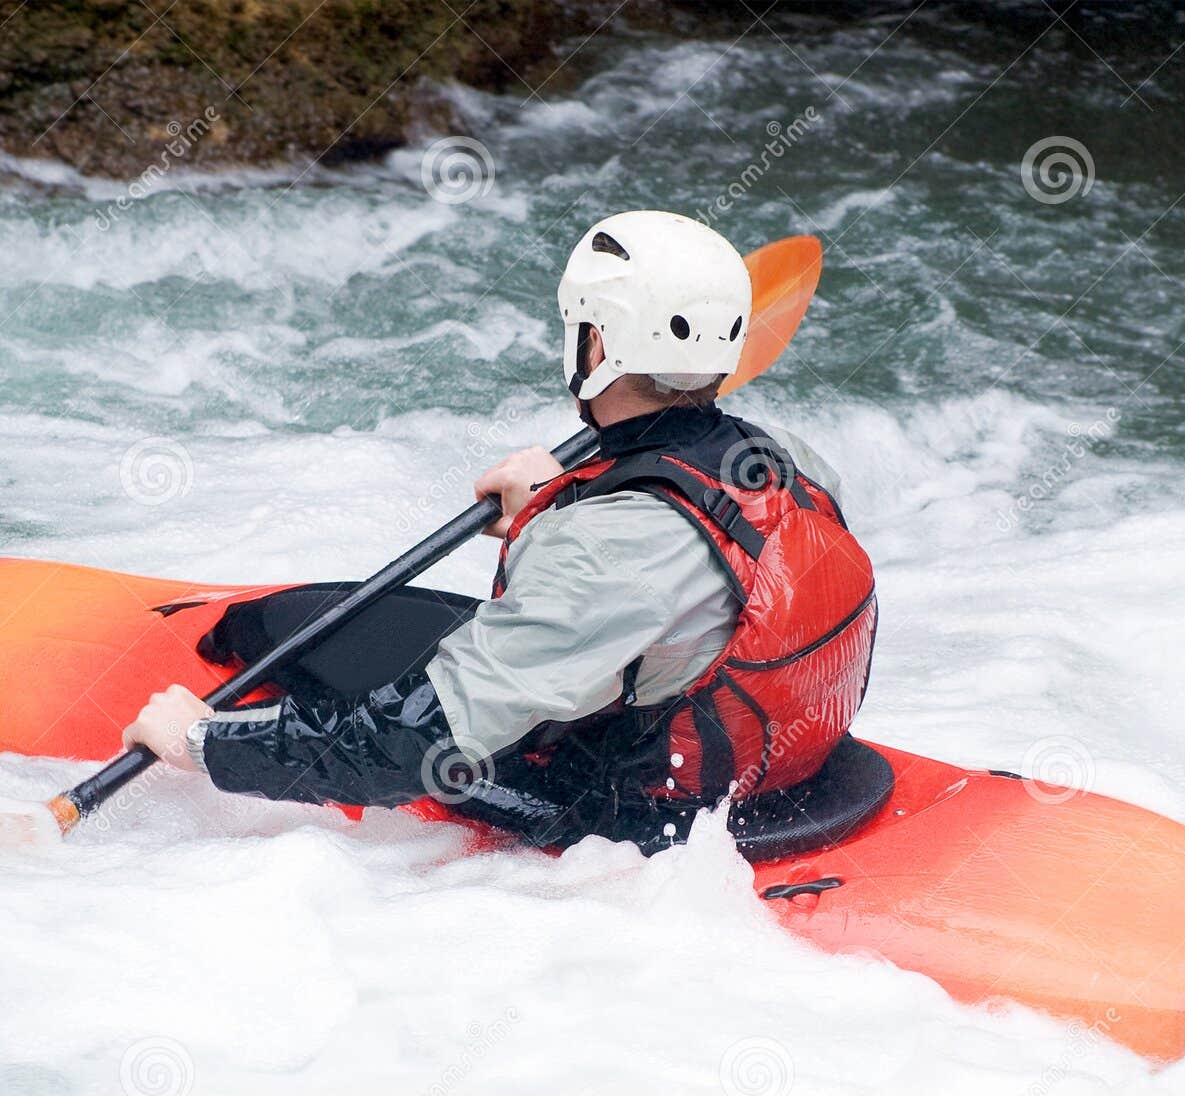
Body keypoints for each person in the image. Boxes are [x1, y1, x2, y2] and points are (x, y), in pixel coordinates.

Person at [123, 211, 877, 850]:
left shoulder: (603, 551)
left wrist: (206, 745)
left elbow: (416, 750)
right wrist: (557, 499)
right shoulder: (778, 458)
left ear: (597, 346)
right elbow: (685, 578)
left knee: (272, 632)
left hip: (625, 809)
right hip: (781, 762)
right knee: (289, 624)